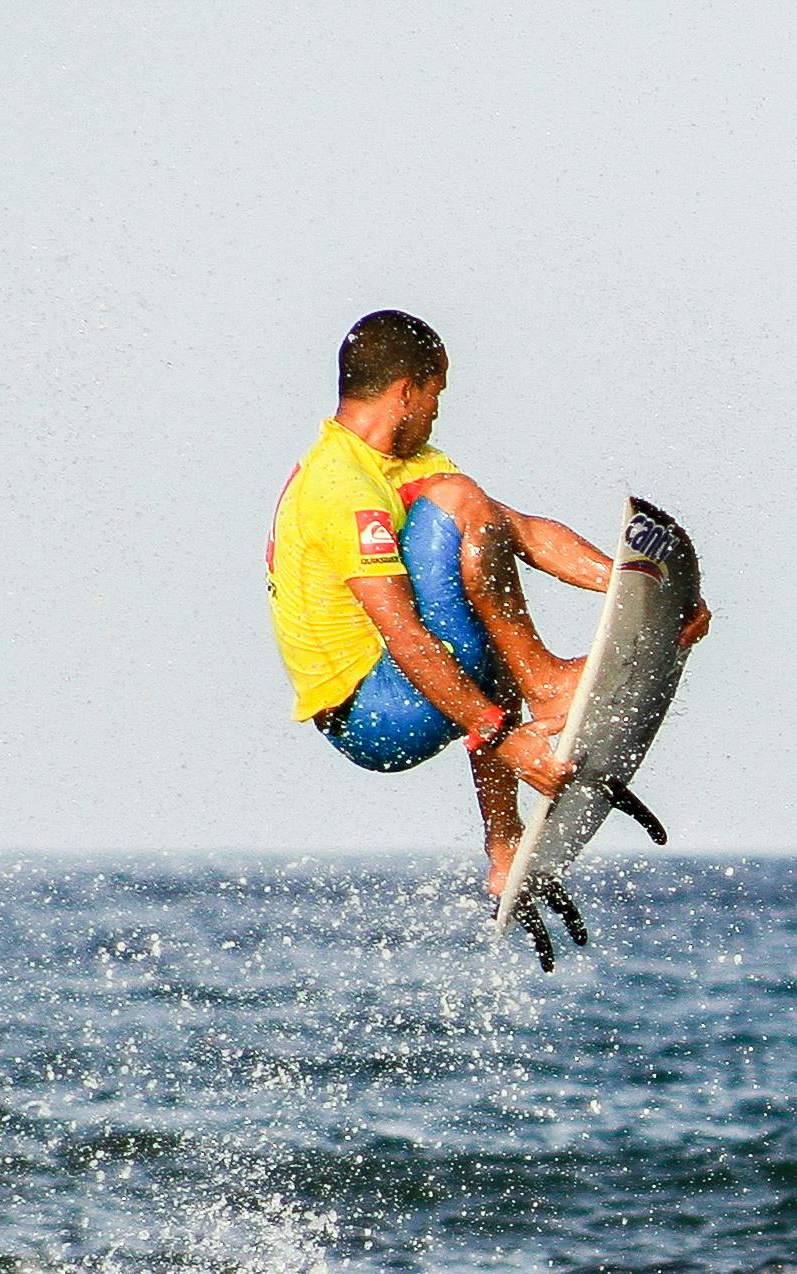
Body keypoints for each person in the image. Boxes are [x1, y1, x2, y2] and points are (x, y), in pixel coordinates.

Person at [266, 309, 707, 899]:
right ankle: (544, 682)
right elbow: (405, 635)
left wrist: (637, 589)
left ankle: (503, 846)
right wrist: (503, 736)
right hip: (372, 717)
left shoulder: (405, 466)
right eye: (436, 393)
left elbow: (517, 531)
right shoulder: (341, 485)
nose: (436, 411)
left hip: (408, 688)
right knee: (460, 511)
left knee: (474, 539)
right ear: (407, 390)